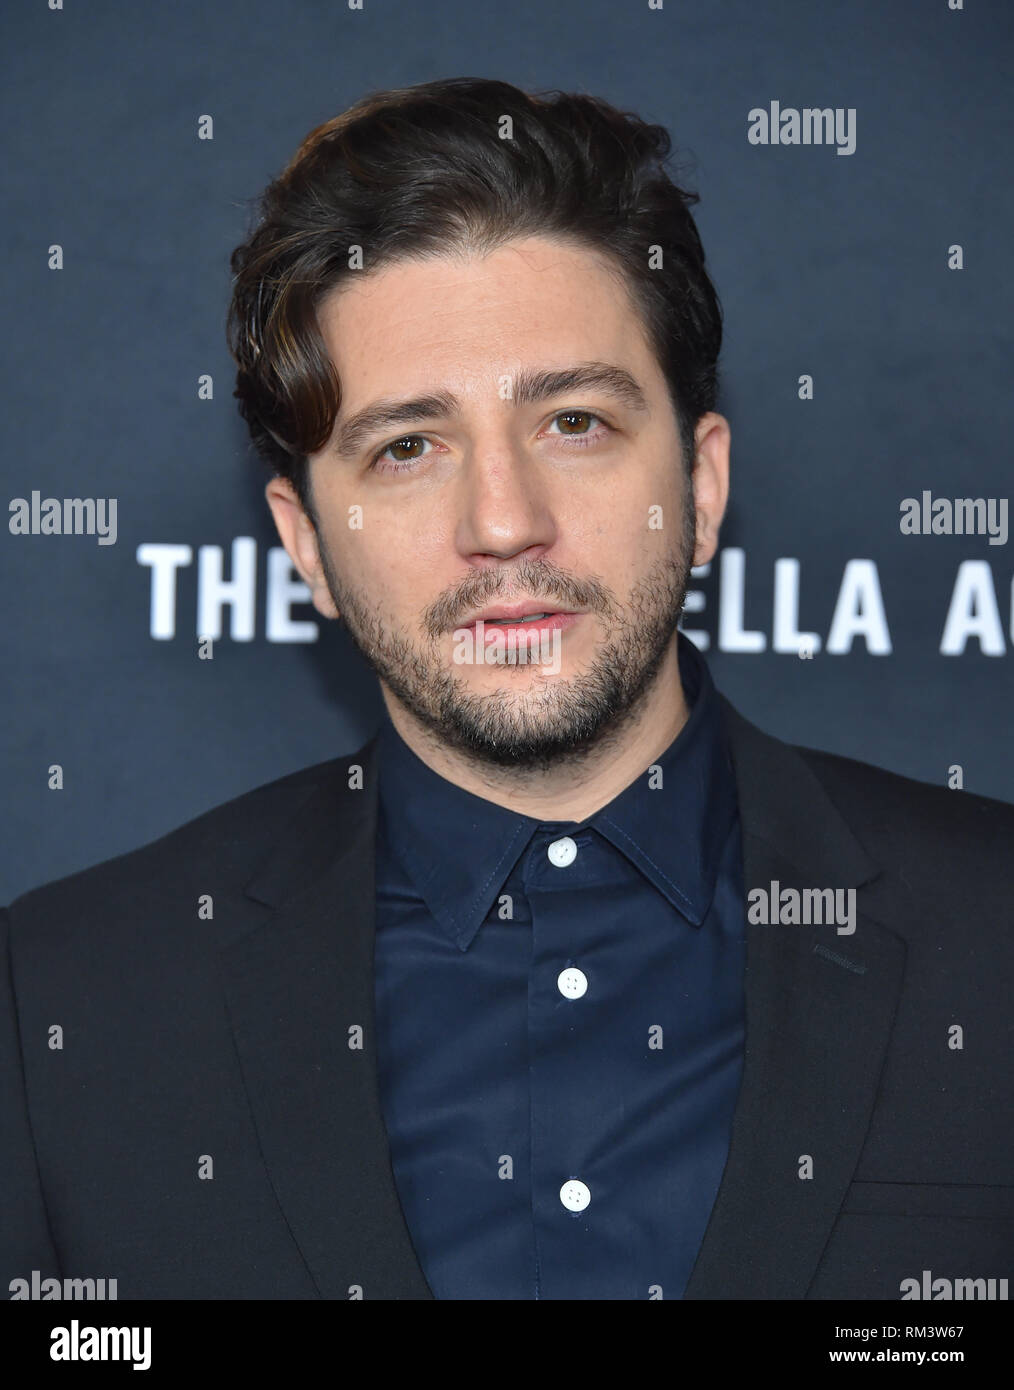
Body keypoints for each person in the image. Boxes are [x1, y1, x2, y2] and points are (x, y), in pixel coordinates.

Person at [3, 78, 1012, 1301]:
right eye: (408, 447)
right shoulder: (64, 1006)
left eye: (575, 421)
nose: (504, 522)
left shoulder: (991, 939)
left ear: (698, 488)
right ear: (306, 544)